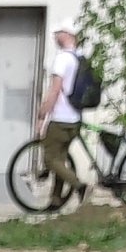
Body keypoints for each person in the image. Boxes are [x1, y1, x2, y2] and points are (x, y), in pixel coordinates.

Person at [37, 24, 83, 209]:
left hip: (61, 118)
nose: (55, 36)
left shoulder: (62, 59)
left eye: (58, 33)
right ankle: (55, 201)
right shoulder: (79, 58)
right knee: (60, 160)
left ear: (66, 34)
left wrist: (42, 114)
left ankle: (81, 186)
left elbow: (55, 90)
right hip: (75, 119)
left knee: (50, 160)